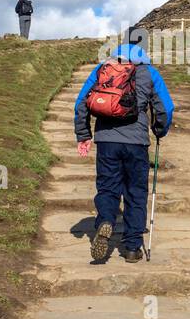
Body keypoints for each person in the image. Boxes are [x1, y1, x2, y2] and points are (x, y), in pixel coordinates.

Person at [74, 37, 174, 264]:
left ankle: (106, 221)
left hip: (106, 141)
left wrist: (84, 135)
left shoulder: (104, 68)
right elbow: (165, 108)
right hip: (137, 143)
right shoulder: (149, 72)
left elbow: (81, 102)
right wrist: (159, 130)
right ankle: (131, 247)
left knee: (108, 187)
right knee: (135, 192)